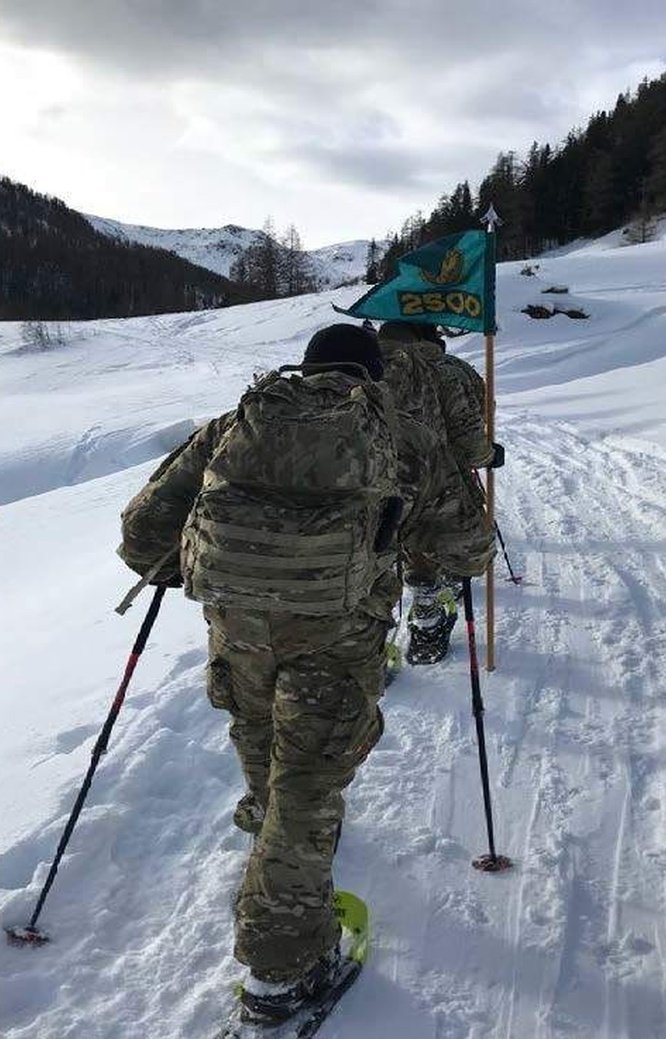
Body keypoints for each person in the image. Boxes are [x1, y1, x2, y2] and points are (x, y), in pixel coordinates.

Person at [117, 324, 409, 1027]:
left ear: (302, 369)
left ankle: (269, 830)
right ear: (370, 376)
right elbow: (456, 536)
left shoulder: (237, 421)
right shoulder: (392, 435)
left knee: (257, 729)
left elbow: (141, 530)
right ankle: (282, 974)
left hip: (237, 627)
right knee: (308, 784)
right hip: (335, 636)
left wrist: (170, 563)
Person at [376, 320, 502, 665]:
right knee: (428, 546)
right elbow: (470, 438)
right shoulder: (448, 370)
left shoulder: (359, 366)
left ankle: (374, 645)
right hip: (433, 479)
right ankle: (427, 624)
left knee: (376, 554)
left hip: (365, 479)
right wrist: (489, 455)